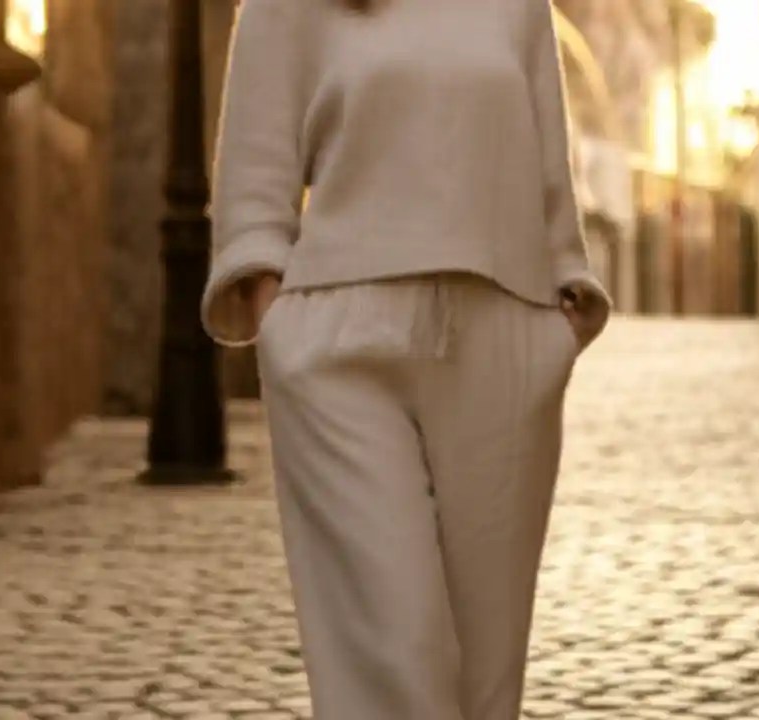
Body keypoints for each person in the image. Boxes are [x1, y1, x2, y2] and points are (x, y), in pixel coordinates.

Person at [199, 0, 610, 717]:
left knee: (486, 686)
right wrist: (281, 324)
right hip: (342, 348)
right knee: (395, 658)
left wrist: (557, 323)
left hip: (505, 337)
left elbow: (550, 179)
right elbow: (254, 183)